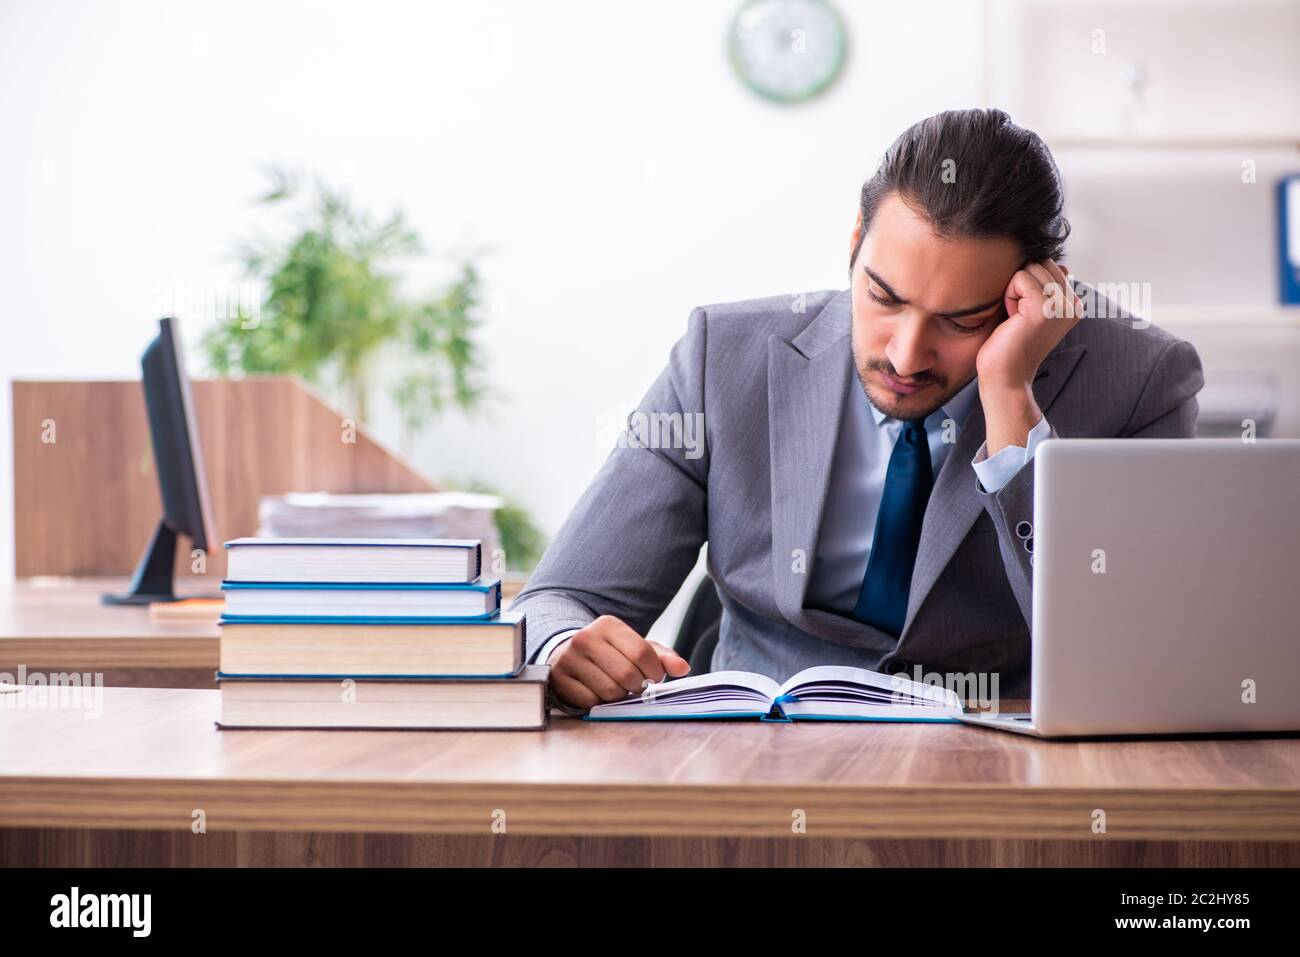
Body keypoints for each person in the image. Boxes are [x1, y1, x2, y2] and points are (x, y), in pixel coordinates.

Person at [511, 108, 1204, 710]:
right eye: (884, 296)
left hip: (994, 774)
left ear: (1035, 295)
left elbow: (1128, 657)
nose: (905, 355)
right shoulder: (722, 360)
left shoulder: (1140, 384)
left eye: (962, 321)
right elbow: (555, 600)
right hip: (749, 760)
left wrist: (1011, 403)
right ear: (853, 246)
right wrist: (566, 646)